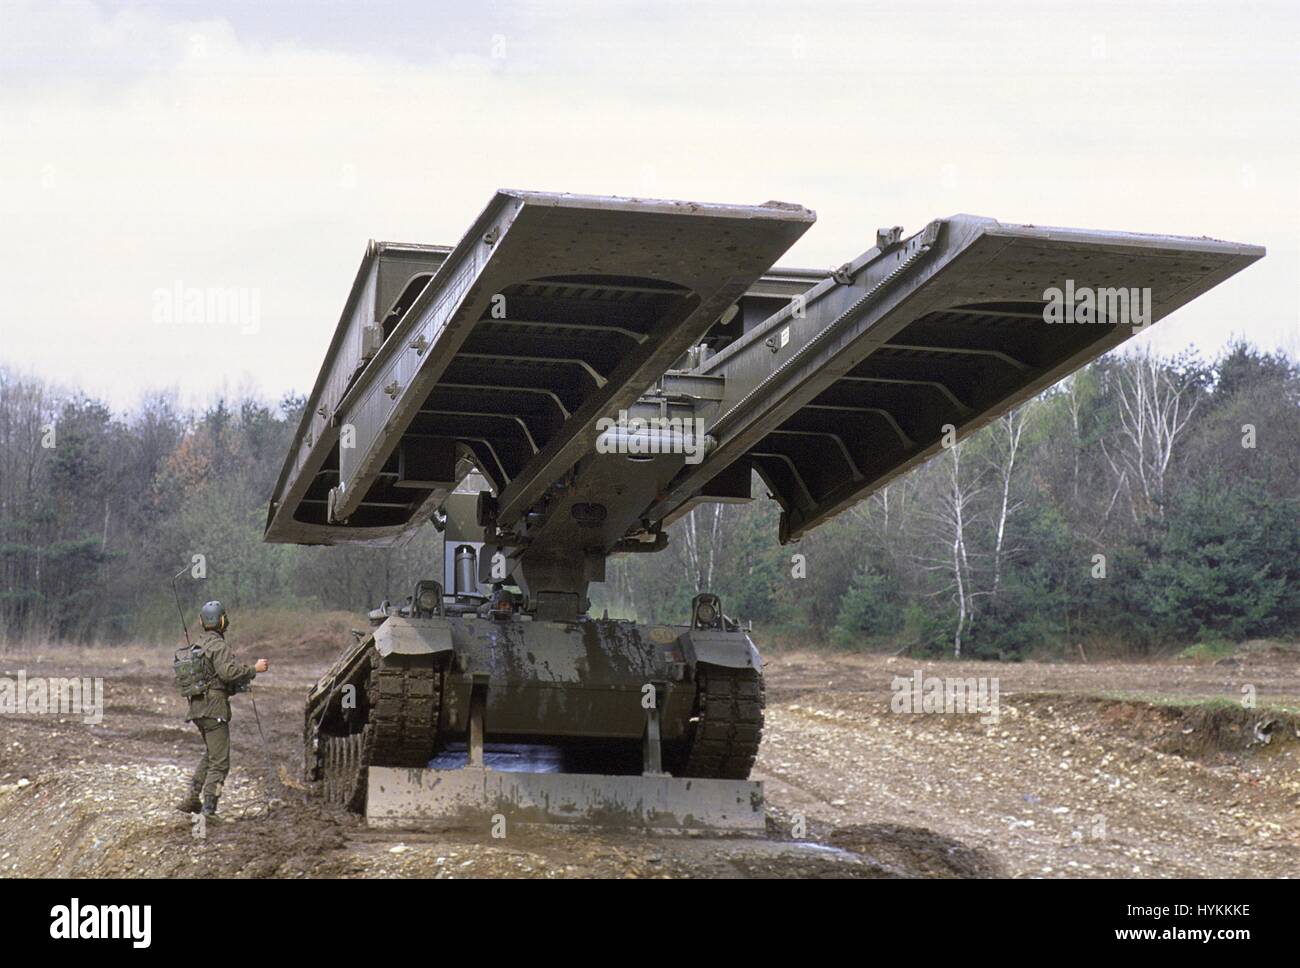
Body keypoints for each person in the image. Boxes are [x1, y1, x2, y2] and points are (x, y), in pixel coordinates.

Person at [175, 601, 269, 818]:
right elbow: (228, 673)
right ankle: (209, 809)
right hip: (214, 709)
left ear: (201, 621)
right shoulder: (219, 646)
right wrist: (254, 669)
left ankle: (192, 795)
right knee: (221, 761)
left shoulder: (197, 645)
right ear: (222, 621)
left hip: (197, 708)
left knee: (211, 754)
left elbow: (216, 677)